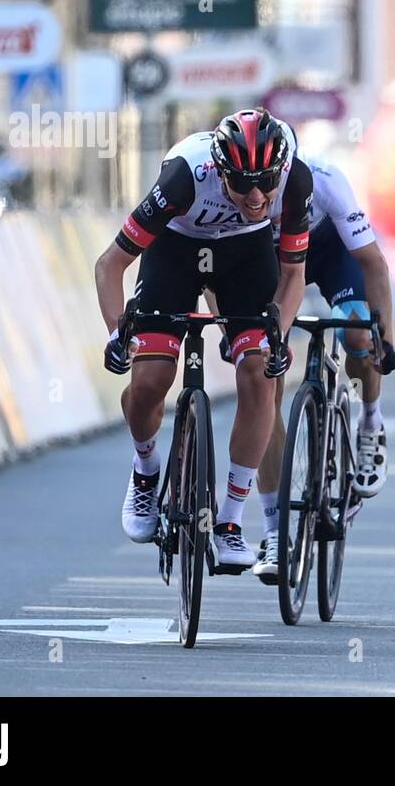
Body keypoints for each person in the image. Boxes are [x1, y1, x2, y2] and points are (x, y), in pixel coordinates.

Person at [94, 108, 310, 571]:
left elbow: (293, 274)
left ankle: (230, 522)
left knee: (258, 373)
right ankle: (146, 472)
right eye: (242, 184)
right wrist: (117, 333)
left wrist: (280, 333)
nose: (256, 196)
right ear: (220, 170)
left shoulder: (294, 178)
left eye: (265, 184)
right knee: (151, 379)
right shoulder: (185, 177)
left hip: (244, 257)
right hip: (174, 250)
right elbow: (109, 264)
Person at [251, 140, 395, 583]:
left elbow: (373, 264)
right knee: (262, 378)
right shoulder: (245, 194)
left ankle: (370, 421)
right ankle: (273, 531)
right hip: (270, 260)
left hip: (330, 253)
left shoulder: (326, 179)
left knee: (357, 332)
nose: (263, 190)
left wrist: (383, 339)